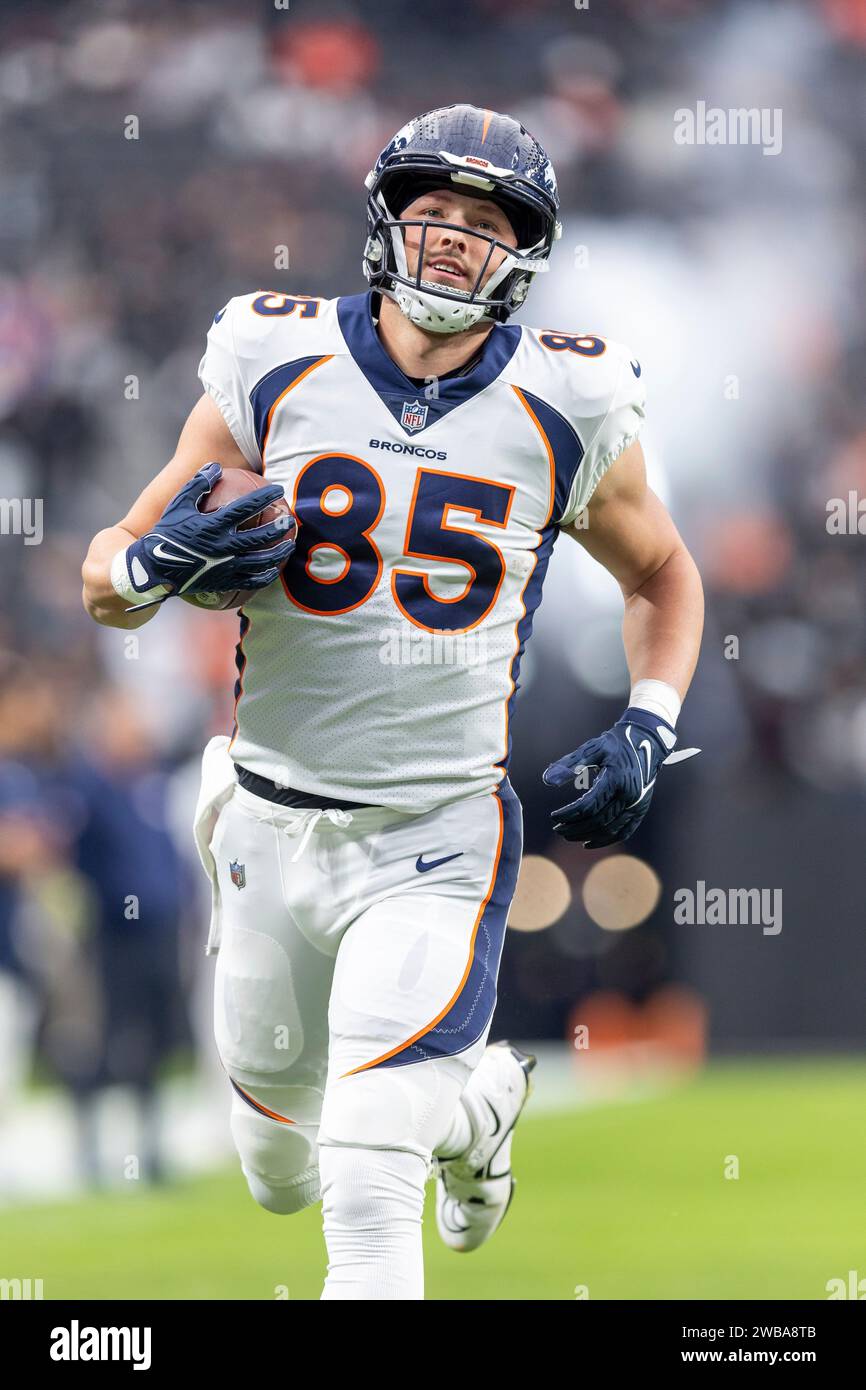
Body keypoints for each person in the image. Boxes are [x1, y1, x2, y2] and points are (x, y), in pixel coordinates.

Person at [81, 104, 703, 1300]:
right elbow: (109, 571)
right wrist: (156, 567)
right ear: (384, 222)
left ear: (521, 251)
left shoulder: (565, 398)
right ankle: (479, 1107)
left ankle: (424, 1121)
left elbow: (663, 572)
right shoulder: (274, 357)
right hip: (268, 815)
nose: (454, 239)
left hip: (433, 830)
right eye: (433, 212)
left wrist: (650, 716)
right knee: (277, 1165)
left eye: (485, 222)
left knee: (366, 1177)